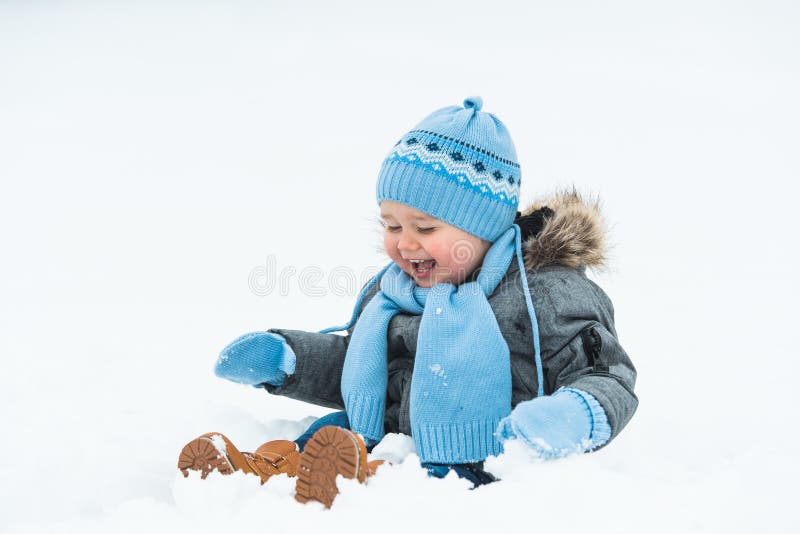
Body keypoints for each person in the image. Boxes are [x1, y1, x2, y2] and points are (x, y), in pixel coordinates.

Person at [178, 96, 638, 508]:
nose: (404, 244)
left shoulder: (544, 295)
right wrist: (289, 359)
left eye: (426, 228)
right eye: (392, 226)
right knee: (326, 438)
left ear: (485, 227)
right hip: (380, 436)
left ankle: (342, 483)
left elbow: (608, 375)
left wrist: (573, 414)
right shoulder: (392, 292)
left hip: (476, 465)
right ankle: (256, 474)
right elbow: (360, 367)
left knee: (383, 474)